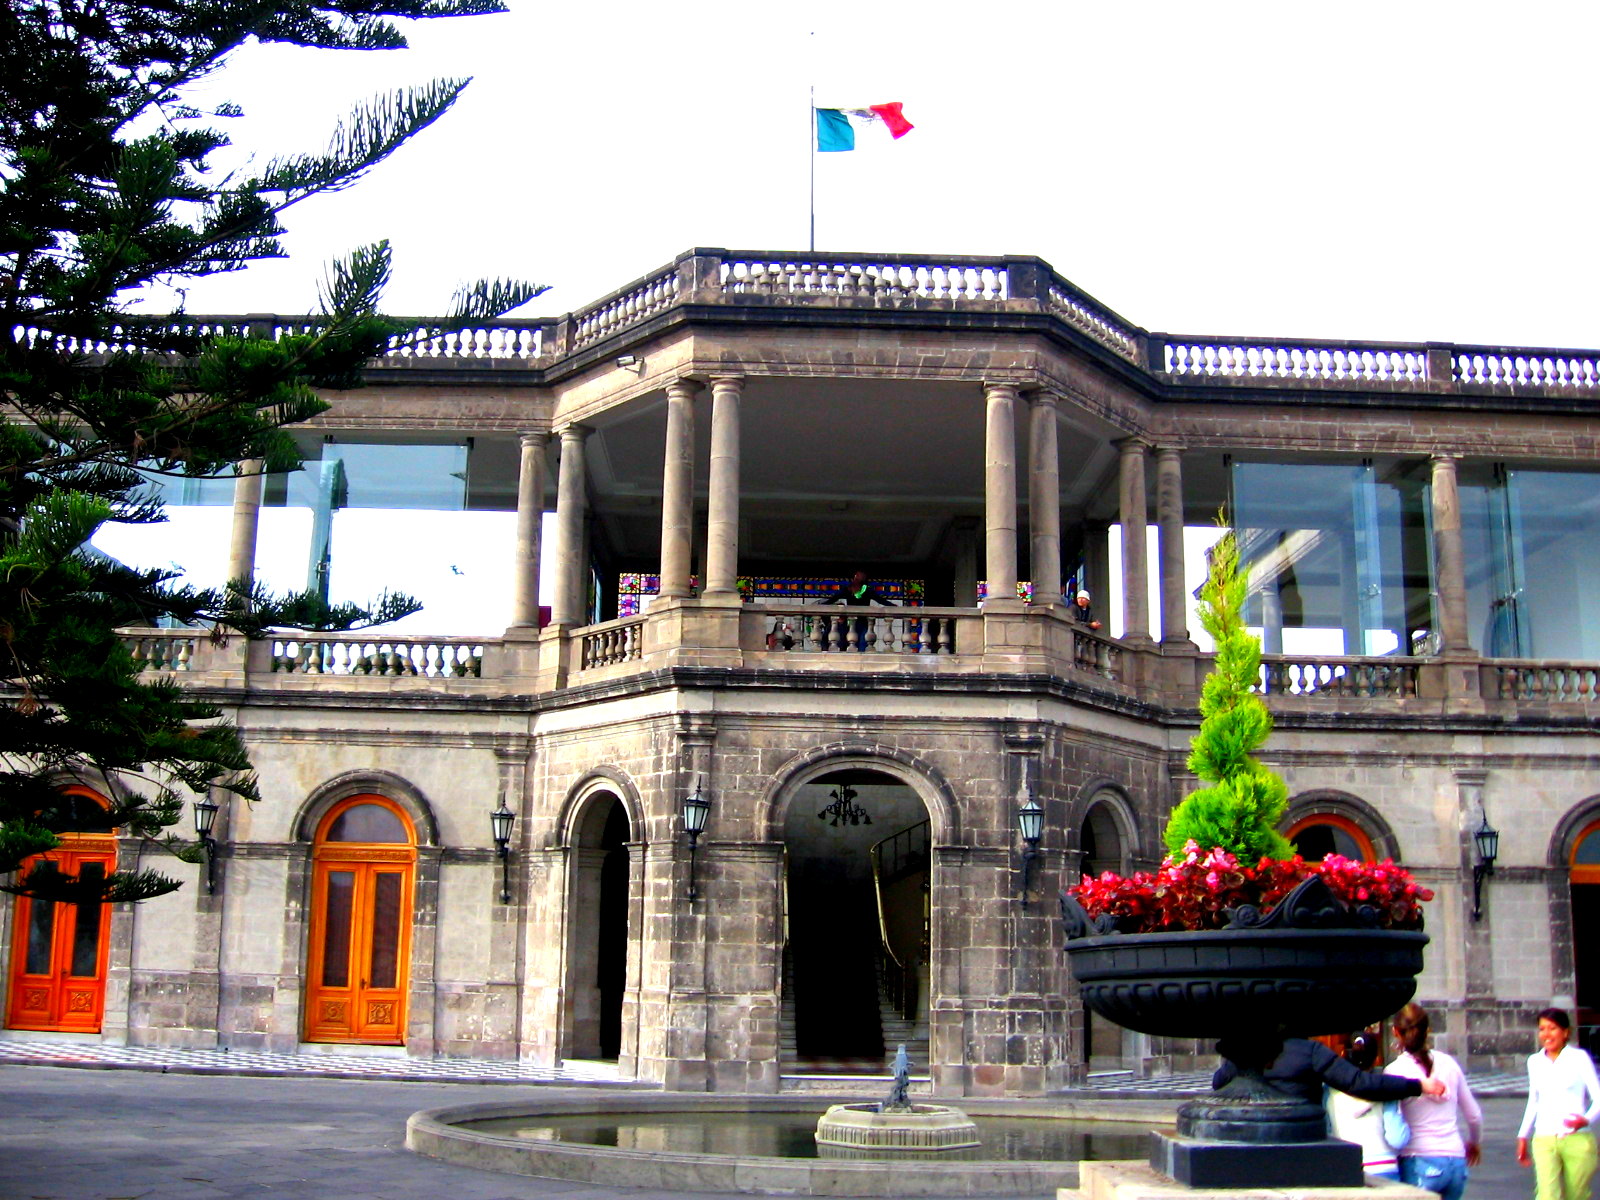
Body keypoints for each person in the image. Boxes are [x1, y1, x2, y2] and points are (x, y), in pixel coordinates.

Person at [1388, 1002, 1483, 1200]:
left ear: (1396, 1031)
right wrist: (1474, 1142)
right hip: (1456, 1159)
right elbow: (1474, 1115)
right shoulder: (1448, 1063)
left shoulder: (1395, 1071)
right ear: (1427, 1031)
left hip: (1419, 1158)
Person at [1213, 1034, 1444, 1107]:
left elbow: (1218, 1082)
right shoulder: (1309, 1051)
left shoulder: (1246, 1051)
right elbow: (1359, 1083)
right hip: (1300, 1135)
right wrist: (1416, 1085)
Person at [1517, 1006, 1600, 1200]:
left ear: (1565, 1032)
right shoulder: (1535, 1061)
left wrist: (1586, 1120)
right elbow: (1534, 1100)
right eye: (1542, 1028)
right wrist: (1522, 1135)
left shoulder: (1579, 1058)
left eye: (1552, 1028)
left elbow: (1598, 1097)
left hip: (1577, 1138)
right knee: (1547, 1195)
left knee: (1576, 1194)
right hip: (1544, 1137)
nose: (1546, 1034)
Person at [1326, 1029, 1411, 1180]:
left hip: (1348, 1166)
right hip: (1384, 1167)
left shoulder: (1328, 1091)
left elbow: (1327, 1131)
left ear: (1343, 1055)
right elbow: (1397, 1138)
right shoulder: (1386, 1089)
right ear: (1376, 1059)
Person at [820, 571, 892, 650]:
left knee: (862, 643)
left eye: (860, 576)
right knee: (849, 641)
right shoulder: (848, 589)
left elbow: (880, 600)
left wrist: (893, 606)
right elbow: (834, 598)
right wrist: (822, 605)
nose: (858, 578)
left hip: (863, 622)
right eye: (857, 576)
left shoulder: (867, 590)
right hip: (851, 622)